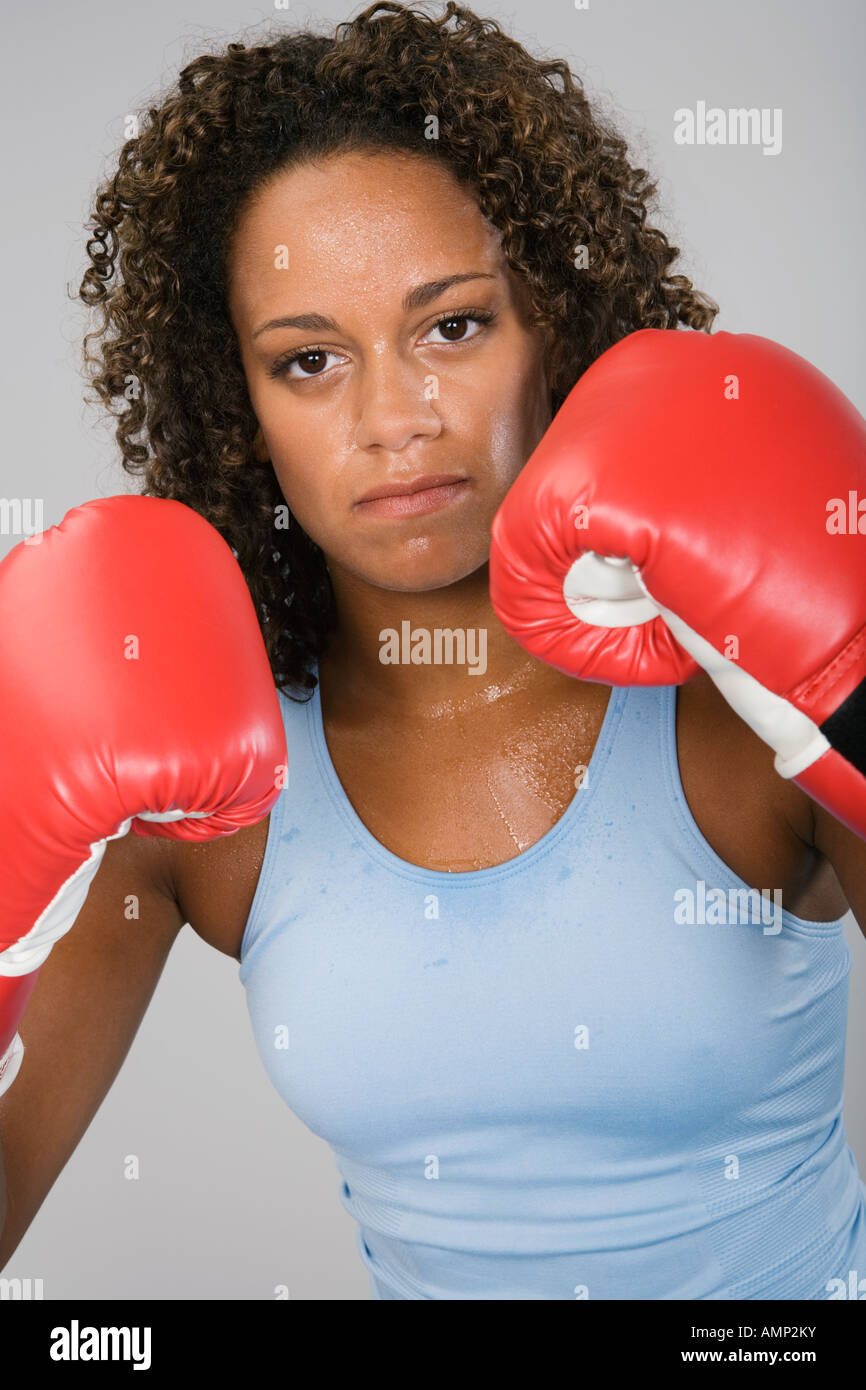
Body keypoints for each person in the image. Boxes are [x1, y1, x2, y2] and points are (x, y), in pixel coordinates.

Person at [1, 0, 864, 1300]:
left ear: (556, 322)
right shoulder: (199, 800)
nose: (392, 419)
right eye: (308, 361)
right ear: (236, 408)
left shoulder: (738, 705)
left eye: (451, 326)